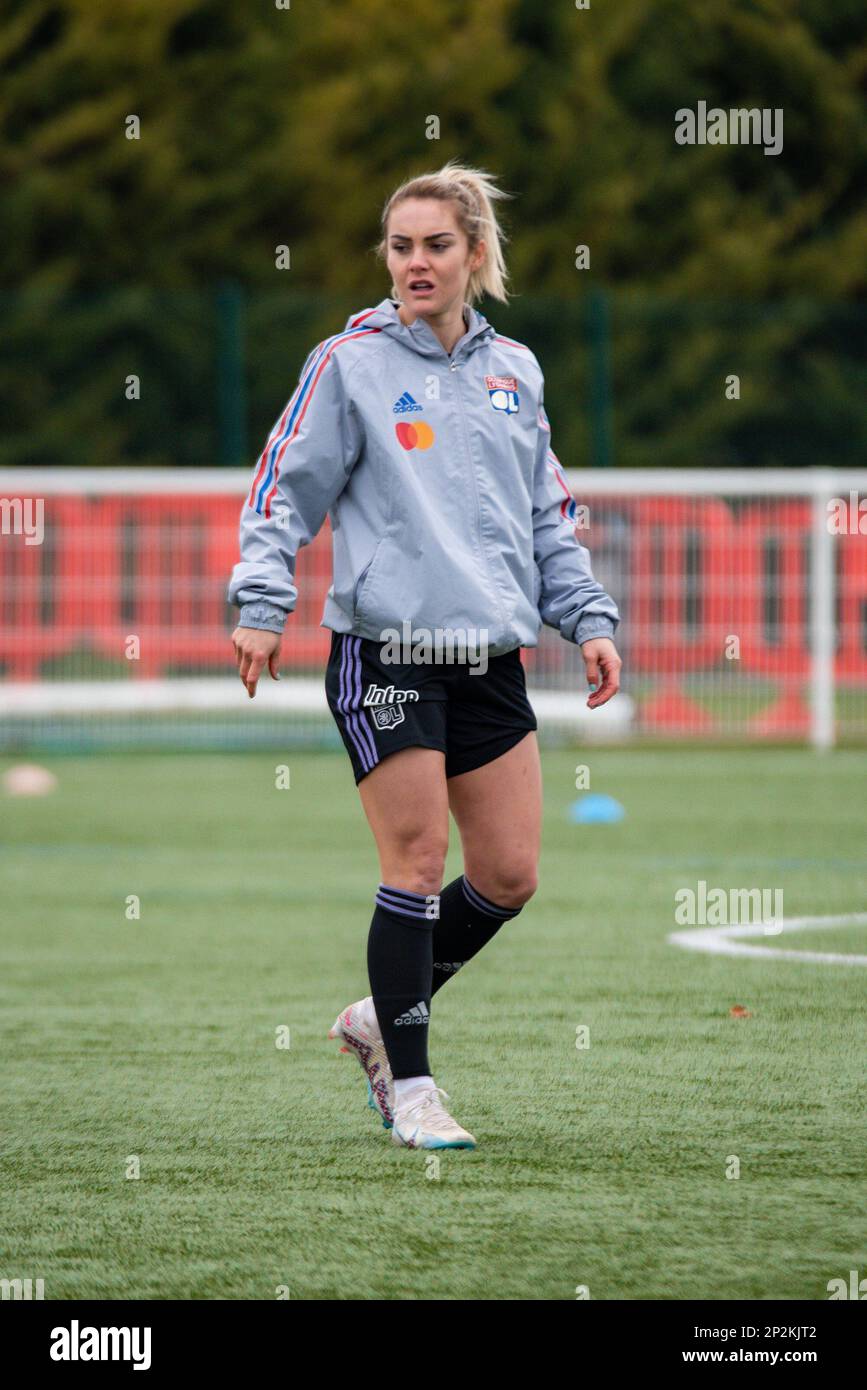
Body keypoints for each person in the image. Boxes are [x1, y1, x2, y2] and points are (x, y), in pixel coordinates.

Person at [228, 160, 621, 1151]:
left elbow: (548, 514)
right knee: (415, 858)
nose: (415, 262)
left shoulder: (513, 371)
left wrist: (588, 615)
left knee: (510, 873)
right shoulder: (347, 364)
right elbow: (285, 493)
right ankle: (413, 1090)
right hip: (384, 652)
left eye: (436, 244)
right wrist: (262, 602)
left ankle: (374, 1013)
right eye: (400, 245)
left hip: (487, 657)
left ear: (475, 253)